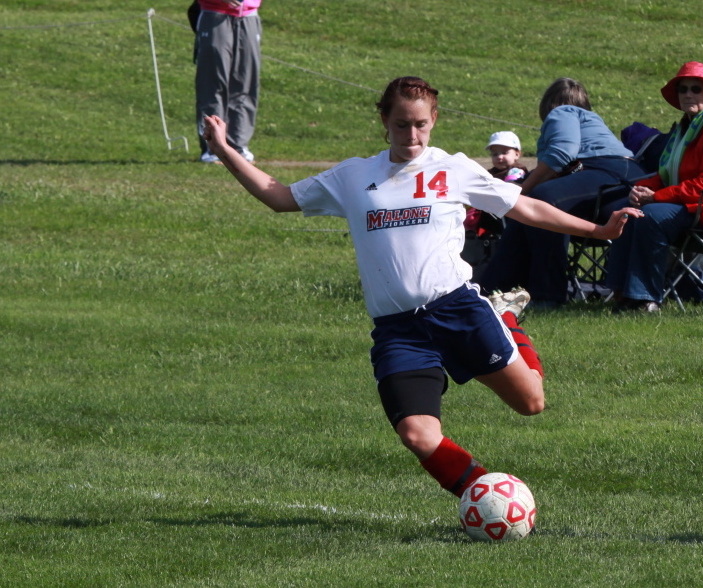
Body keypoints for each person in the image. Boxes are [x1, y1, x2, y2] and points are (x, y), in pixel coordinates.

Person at [200, 76, 641, 499]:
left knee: (531, 403)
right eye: (401, 124)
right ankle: (483, 495)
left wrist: (599, 231)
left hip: (458, 311)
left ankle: (504, 317)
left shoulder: (453, 169)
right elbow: (278, 196)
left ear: (433, 121)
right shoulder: (353, 176)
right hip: (399, 330)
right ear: (384, 121)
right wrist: (224, 150)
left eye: (421, 124)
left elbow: (525, 207)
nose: (411, 134)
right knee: (416, 433)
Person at [478, 78, 647, 308]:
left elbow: (561, 153)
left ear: (550, 104)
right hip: (628, 183)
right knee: (526, 212)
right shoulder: (591, 121)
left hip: (607, 171)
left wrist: (522, 191)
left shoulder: (564, 111)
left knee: (541, 200)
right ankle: (493, 290)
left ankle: (547, 295)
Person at [606, 61, 703, 312]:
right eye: (683, 89)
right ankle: (620, 292)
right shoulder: (685, 127)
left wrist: (656, 197)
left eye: (696, 89)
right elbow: (669, 173)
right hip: (694, 202)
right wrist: (642, 189)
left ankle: (646, 298)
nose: (688, 94)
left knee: (650, 217)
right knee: (627, 209)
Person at [194, 0, 262, 164]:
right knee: (212, 84)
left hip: (249, 15)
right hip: (214, 13)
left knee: (245, 83)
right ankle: (213, 148)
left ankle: (238, 147)